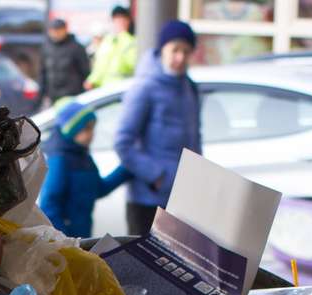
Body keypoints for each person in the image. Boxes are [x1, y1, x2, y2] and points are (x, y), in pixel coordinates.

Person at [113, 19, 200, 237]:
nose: (180, 58)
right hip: (147, 200)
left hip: (182, 200)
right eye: (175, 50)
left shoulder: (189, 87)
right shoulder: (145, 87)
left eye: (186, 51)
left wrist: (198, 176)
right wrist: (157, 176)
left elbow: (195, 137)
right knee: (144, 258)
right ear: (163, 49)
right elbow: (123, 142)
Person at [38, 101, 130, 239]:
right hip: (68, 239)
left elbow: (98, 189)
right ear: (72, 129)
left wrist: (126, 170)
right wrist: (64, 240)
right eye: (87, 129)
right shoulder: (59, 159)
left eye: (93, 128)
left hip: (83, 234)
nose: (92, 134)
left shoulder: (83, 156)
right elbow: (49, 205)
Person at [41, 18, 91, 105]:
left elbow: (85, 71)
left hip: (72, 96)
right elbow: (42, 72)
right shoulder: (46, 47)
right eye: (53, 31)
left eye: (58, 30)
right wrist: (42, 93)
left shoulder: (76, 47)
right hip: (53, 97)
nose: (55, 33)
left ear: (65, 30)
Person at [85, 5, 138, 89]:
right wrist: (92, 80)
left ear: (128, 21)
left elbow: (134, 64)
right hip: (104, 89)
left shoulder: (131, 41)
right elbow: (101, 64)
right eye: (116, 19)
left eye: (122, 19)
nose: (119, 22)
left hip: (122, 88)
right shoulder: (107, 40)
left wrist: (123, 36)